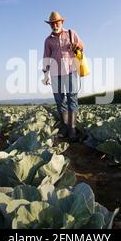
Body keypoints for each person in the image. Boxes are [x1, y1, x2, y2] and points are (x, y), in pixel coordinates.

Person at [42, 11, 84, 142]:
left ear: (61, 23)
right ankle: (65, 127)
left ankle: (72, 130)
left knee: (72, 98)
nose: (55, 25)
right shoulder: (48, 40)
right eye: (52, 24)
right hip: (55, 74)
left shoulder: (71, 33)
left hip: (71, 70)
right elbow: (46, 57)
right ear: (50, 25)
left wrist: (77, 46)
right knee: (60, 101)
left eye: (57, 22)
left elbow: (82, 46)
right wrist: (45, 75)